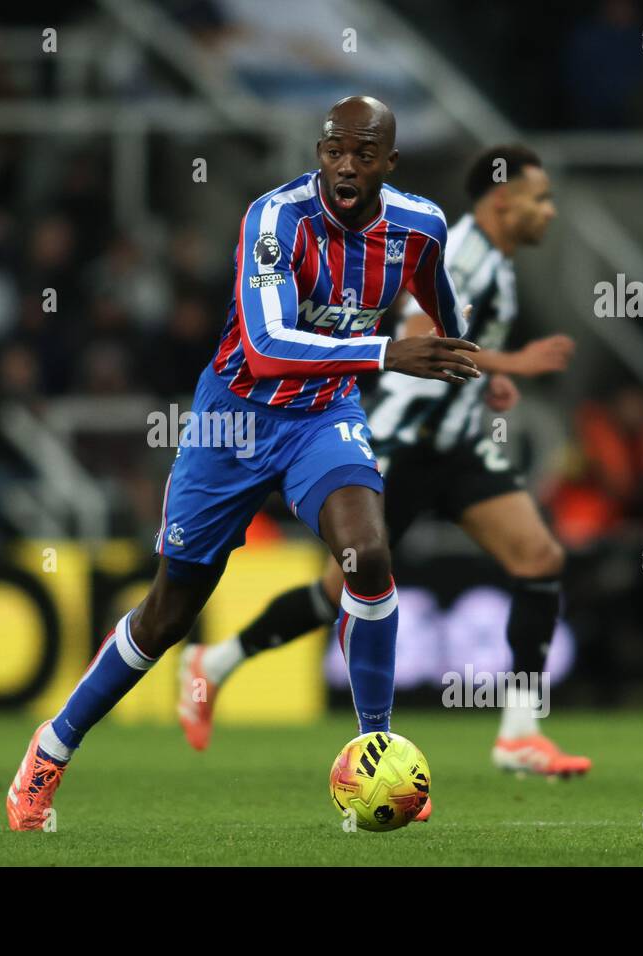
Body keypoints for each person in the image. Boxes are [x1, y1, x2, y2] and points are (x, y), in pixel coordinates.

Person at [6, 95, 480, 830]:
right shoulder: (275, 219)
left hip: (324, 414)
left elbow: (441, 304)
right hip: (235, 418)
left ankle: (375, 751)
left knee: (366, 553)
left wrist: (461, 354)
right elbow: (266, 345)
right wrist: (390, 351)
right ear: (318, 152)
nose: (345, 166)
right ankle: (51, 747)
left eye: (362, 153)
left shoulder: (419, 226)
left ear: (390, 162)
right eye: (332, 151)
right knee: (169, 613)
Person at [177, 144, 591, 777]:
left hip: (454, 446)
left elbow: (453, 345)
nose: (550, 212)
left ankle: (518, 734)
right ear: (503, 202)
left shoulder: (499, 263)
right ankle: (216, 663)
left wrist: (485, 377)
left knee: (540, 558)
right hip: (402, 443)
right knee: (338, 591)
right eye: (541, 199)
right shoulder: (463, 252)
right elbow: (415, 331)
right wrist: (509, 364)